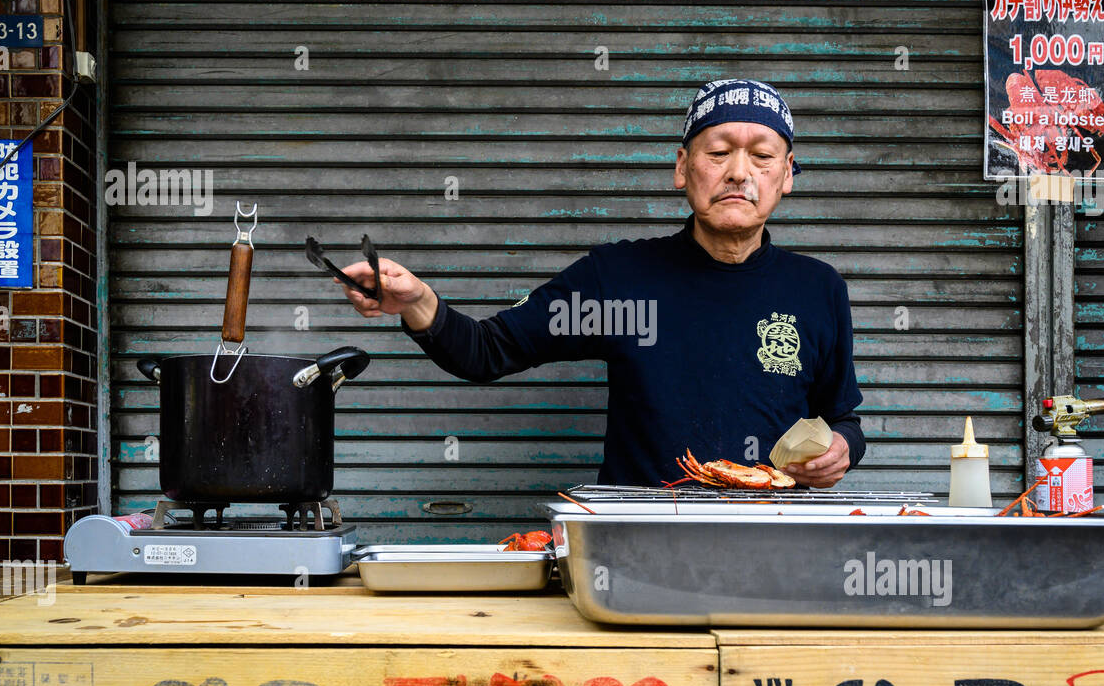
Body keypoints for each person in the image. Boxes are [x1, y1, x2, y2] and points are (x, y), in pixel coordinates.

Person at [337, 78, 865, 487]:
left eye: (763, 156)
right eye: (719, 152)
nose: (738, 173)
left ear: (788, 173)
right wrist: (417, 300)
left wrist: (842, 446)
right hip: (640, 544)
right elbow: (487, 351)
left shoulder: (816, 289)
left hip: (774, 539)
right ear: (683, 167)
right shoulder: (619, 281)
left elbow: (843, 419)